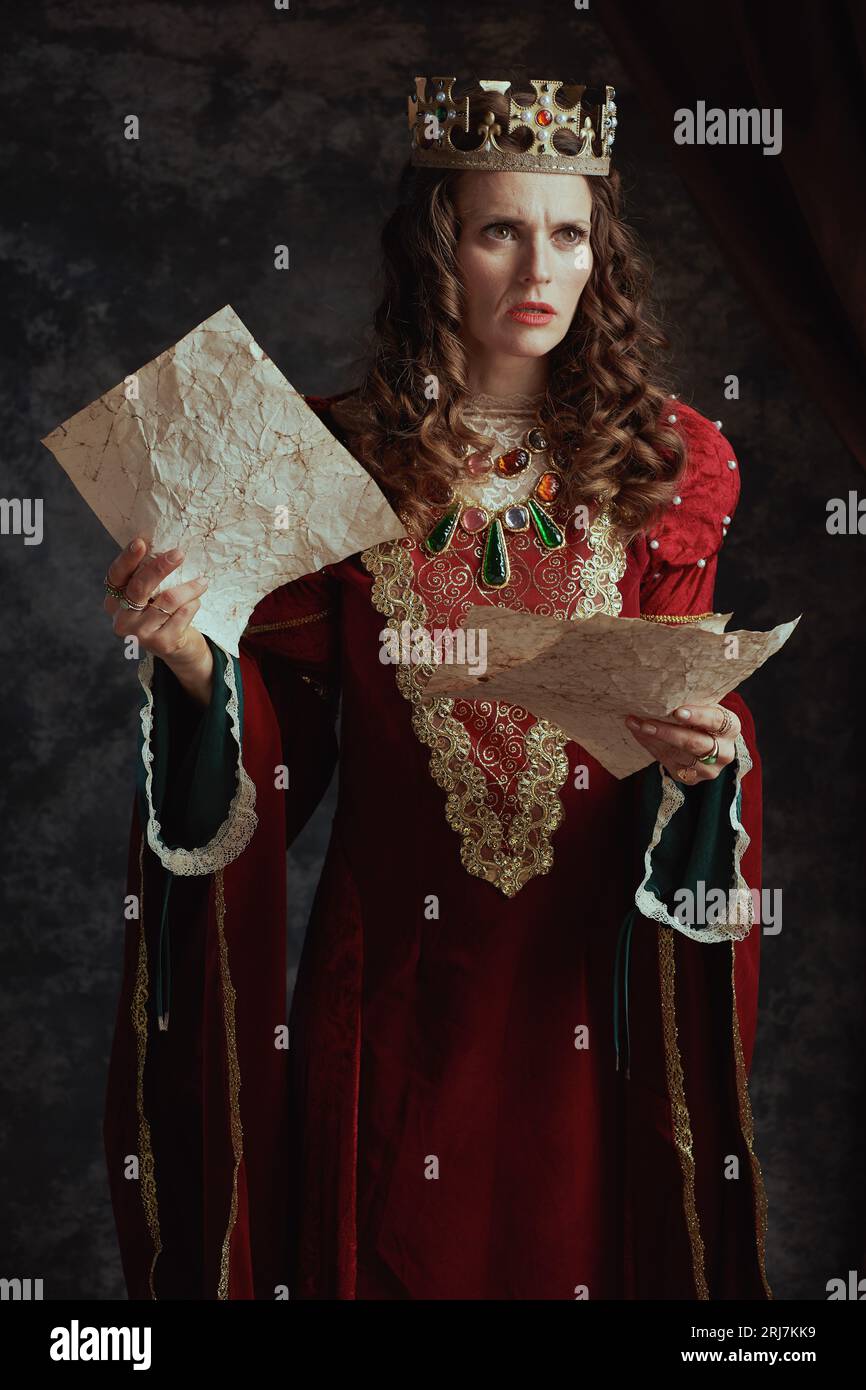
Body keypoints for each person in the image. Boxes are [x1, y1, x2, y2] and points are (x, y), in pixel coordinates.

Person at [102, 75, 772, 1300]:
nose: (539, 266)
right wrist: (193, 659)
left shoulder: (667, 467)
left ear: (598, 251)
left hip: (576, 995)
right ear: (435, 247)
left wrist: (704, 759)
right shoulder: (328, 462)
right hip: (393, 999)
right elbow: (277, 755)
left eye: (567, 232)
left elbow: (690, 708)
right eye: (497, 229)